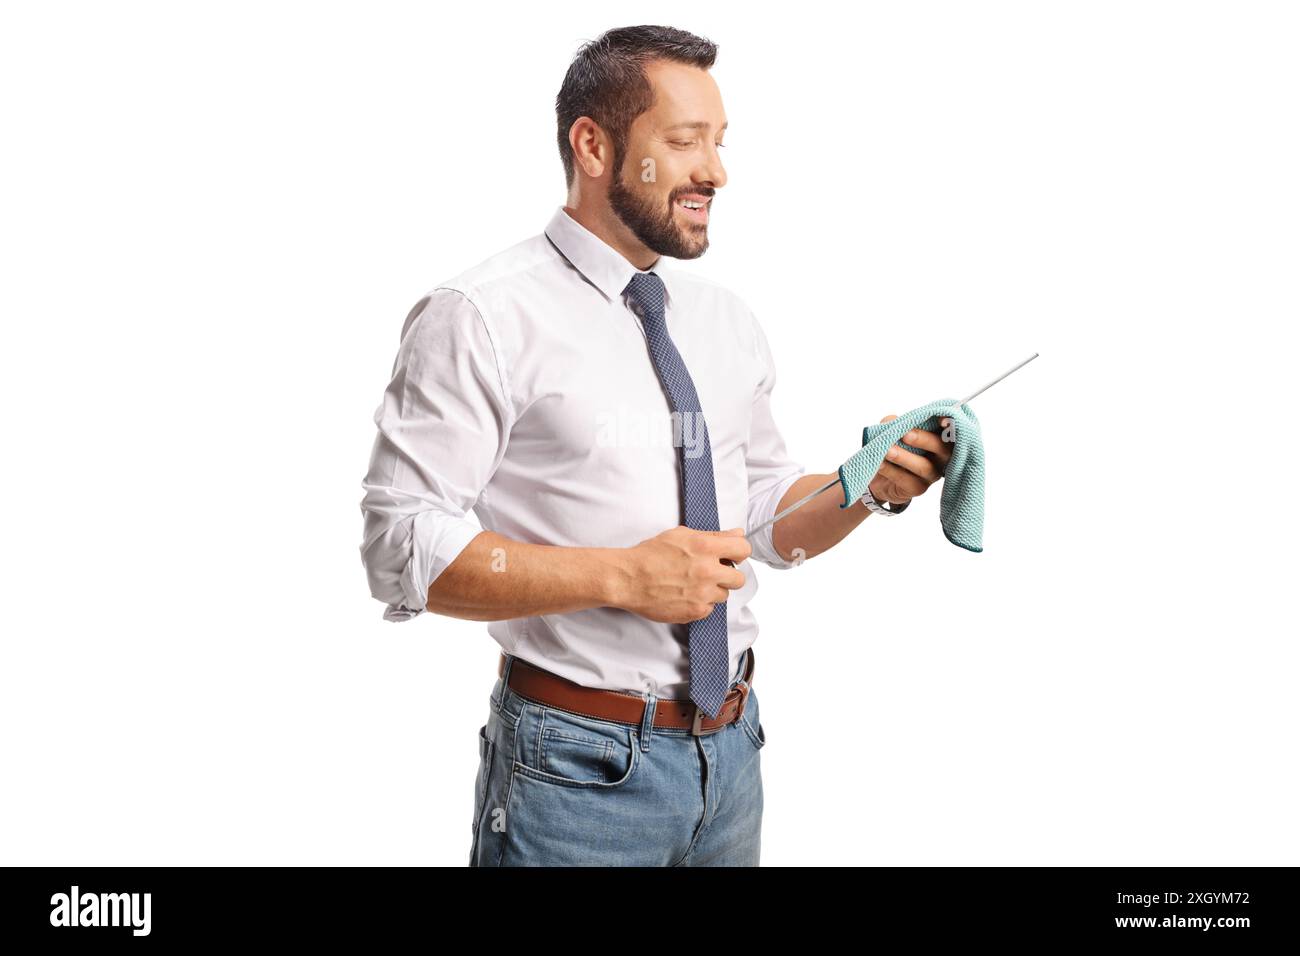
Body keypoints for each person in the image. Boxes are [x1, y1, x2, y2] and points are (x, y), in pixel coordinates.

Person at [358, 24, 953, 867]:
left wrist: (868, 485)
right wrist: (623, 577)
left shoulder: (724, 322)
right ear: (594, 146)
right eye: (683, 142)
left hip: (733, 753)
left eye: (718, 141)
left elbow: (759, 518)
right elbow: (399, 545)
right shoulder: (481, 316)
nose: (715, 170)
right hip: (573, 772)